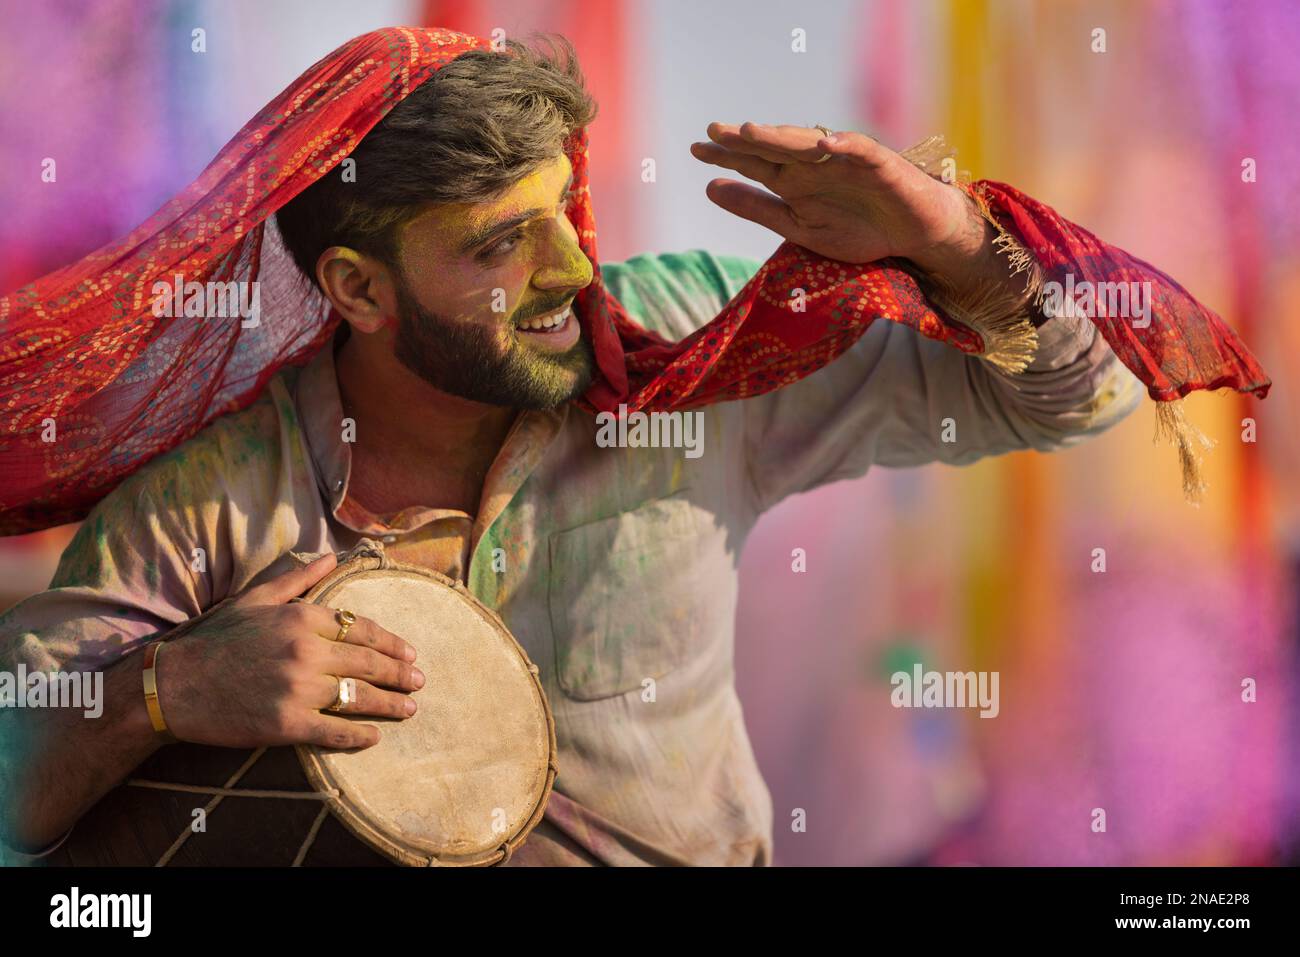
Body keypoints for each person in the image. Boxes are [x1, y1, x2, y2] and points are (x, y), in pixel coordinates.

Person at [0, 27, 1269, 865]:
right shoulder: (208, 502)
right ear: (359, 288)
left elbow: (1082, 394)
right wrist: (165, 692)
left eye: (563, 210)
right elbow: (18, 784)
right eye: (500, 243)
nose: (570, 269)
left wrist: (949, 246)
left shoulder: (684, 344)